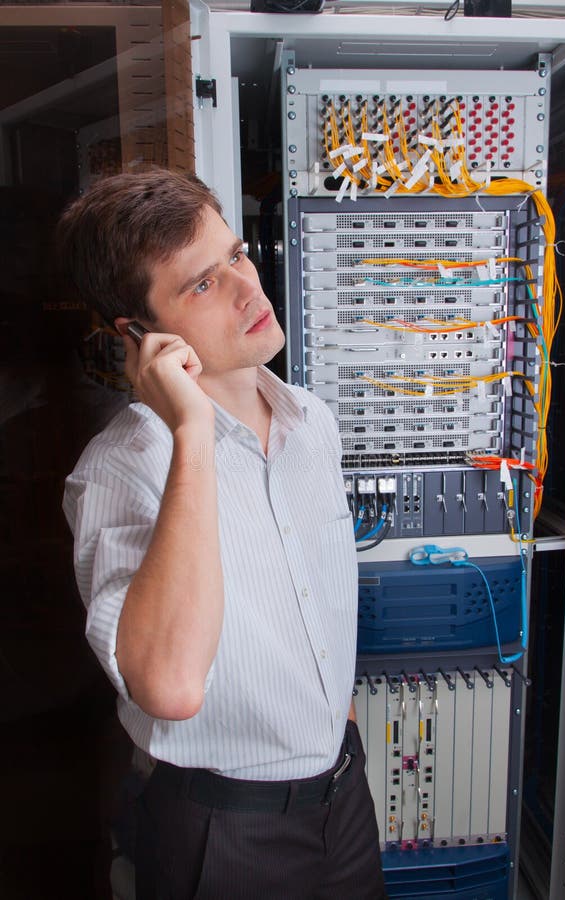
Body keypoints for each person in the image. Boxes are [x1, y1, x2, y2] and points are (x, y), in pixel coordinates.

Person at [58, 169, 386, 900]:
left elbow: (316, 608)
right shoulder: (118, 471)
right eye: (201, 285)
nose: (249, 289)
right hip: (226, 832)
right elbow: (170, 688)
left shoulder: (312, 423)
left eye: (236, 255)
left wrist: (337, 727)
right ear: (140, 335)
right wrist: (193, 432)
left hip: (344, 795)